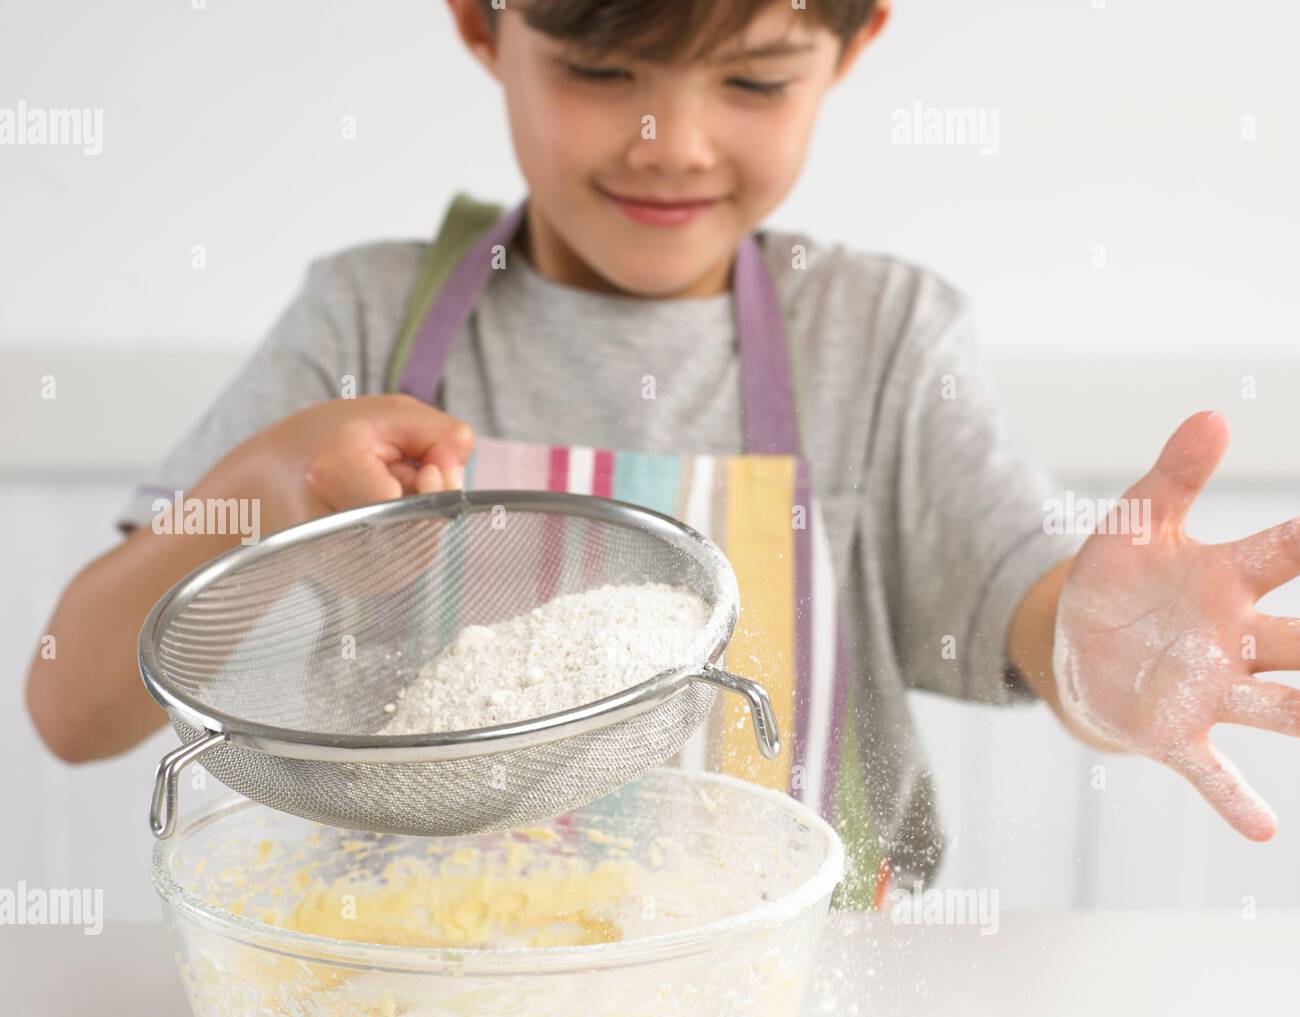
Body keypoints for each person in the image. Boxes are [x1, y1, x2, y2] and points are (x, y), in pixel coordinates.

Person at [26, 0, 1300, 911]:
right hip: (420, 1012)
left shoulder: (876, 340)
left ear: (852, 43)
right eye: (597, 66)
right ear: (482, 24)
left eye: (751, 81)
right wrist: (264, 488)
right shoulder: (366, 320)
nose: (670, 140)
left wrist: (1093, 648)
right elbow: (70, 706)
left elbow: (1033, 615)